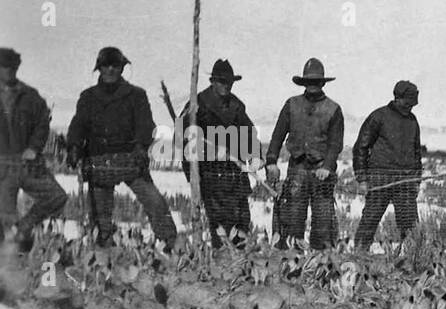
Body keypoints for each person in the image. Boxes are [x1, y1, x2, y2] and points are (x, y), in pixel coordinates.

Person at [66, 47, 177, 248]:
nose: (110, 70)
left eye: (115, 65)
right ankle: (103, 255)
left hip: (130, 160)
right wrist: (74, 147)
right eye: (105, 65)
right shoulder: (88, 97)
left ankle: (171, 247)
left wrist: (141, 148)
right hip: (98, 161)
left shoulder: (136, 95)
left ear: (122, 68)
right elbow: (78, 125)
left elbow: (146, 125)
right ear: (99, 69)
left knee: (156, 203)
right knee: (101, 218)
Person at [265, 58, 344, 249]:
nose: (313, 85)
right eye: (309, 82)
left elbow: (335, 145)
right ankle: (293, 267)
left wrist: (326, 166)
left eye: (316, 81)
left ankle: (320, 267)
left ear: (323, 83)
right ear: (304, 83)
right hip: (297, 169)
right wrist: (271, 161)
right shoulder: (292, 105)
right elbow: (277, 135)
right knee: (292, 220)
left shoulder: (333, 109)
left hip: (322, 174)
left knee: (323, 224)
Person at [181, 58, 258, 248]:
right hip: (211, 176)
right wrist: (192, 175)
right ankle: (222, 267)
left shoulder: (236, 105)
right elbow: (183, 139)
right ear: (213, 82)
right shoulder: (198, 103)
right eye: (222, 81)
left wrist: (256, 156)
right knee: (221, 231)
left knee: (242, 225)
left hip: (235, 175)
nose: (227, 85)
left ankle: (238, 268)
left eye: (229, 82)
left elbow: (249, 132)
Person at [0, 47, 68, 252]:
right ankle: (10, 267)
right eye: (5, 67)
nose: (9, 72)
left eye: (13, 68)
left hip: (28, 164)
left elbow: (42, 123)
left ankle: (24, 228)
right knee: (5, 220)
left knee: (57, 196)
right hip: (2, 167)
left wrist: (33, 147)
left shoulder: (30, 95)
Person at [353, 81, 423, 249]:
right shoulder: (378, 116)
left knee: (411, 226)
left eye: (412, 105)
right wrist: (362, 179)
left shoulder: (413, 121)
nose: (410, 108)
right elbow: (361, 147)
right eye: (407, 103)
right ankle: (359, 255)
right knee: (370, 220)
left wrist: (416, 179)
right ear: (397, 98)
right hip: (380, 178)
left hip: (405, 180)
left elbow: (416, 152)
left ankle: (414, 260)